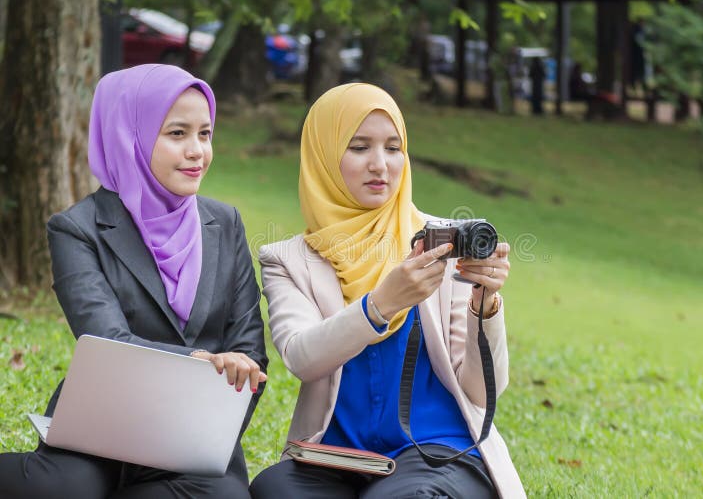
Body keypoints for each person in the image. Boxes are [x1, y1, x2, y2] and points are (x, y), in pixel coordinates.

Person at [0, 64, 268, 499]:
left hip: (192, 436)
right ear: (129, 136)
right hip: (101, 428)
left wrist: (226, 395)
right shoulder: (78, 228)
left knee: (223, 497)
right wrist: (203, 361)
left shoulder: (225, 223)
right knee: (66, 488)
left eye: (205, 134)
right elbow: (108, 341)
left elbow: (249, 350)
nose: (197, 151)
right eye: (177, 133)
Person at [250, 83, 525, 498]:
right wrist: (381, 305)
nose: (380, 165)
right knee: (274, 489)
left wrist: (484, 307)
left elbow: (482, 392)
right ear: (323, 155)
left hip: (437, 453)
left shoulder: (441, 243)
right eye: (359, 147)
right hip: (338, 458)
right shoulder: (288, 260)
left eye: (394, 148)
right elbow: (303, 358)